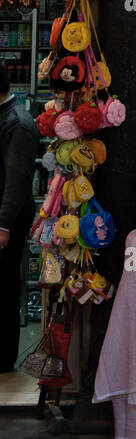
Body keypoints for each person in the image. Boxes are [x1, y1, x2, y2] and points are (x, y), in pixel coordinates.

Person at [0, 67, 38, 372]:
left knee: (4, 286)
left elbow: (16, 178)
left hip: (6, 219)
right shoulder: (7, 116)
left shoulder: (17, 123)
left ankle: (2, 357)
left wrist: (3, 225)